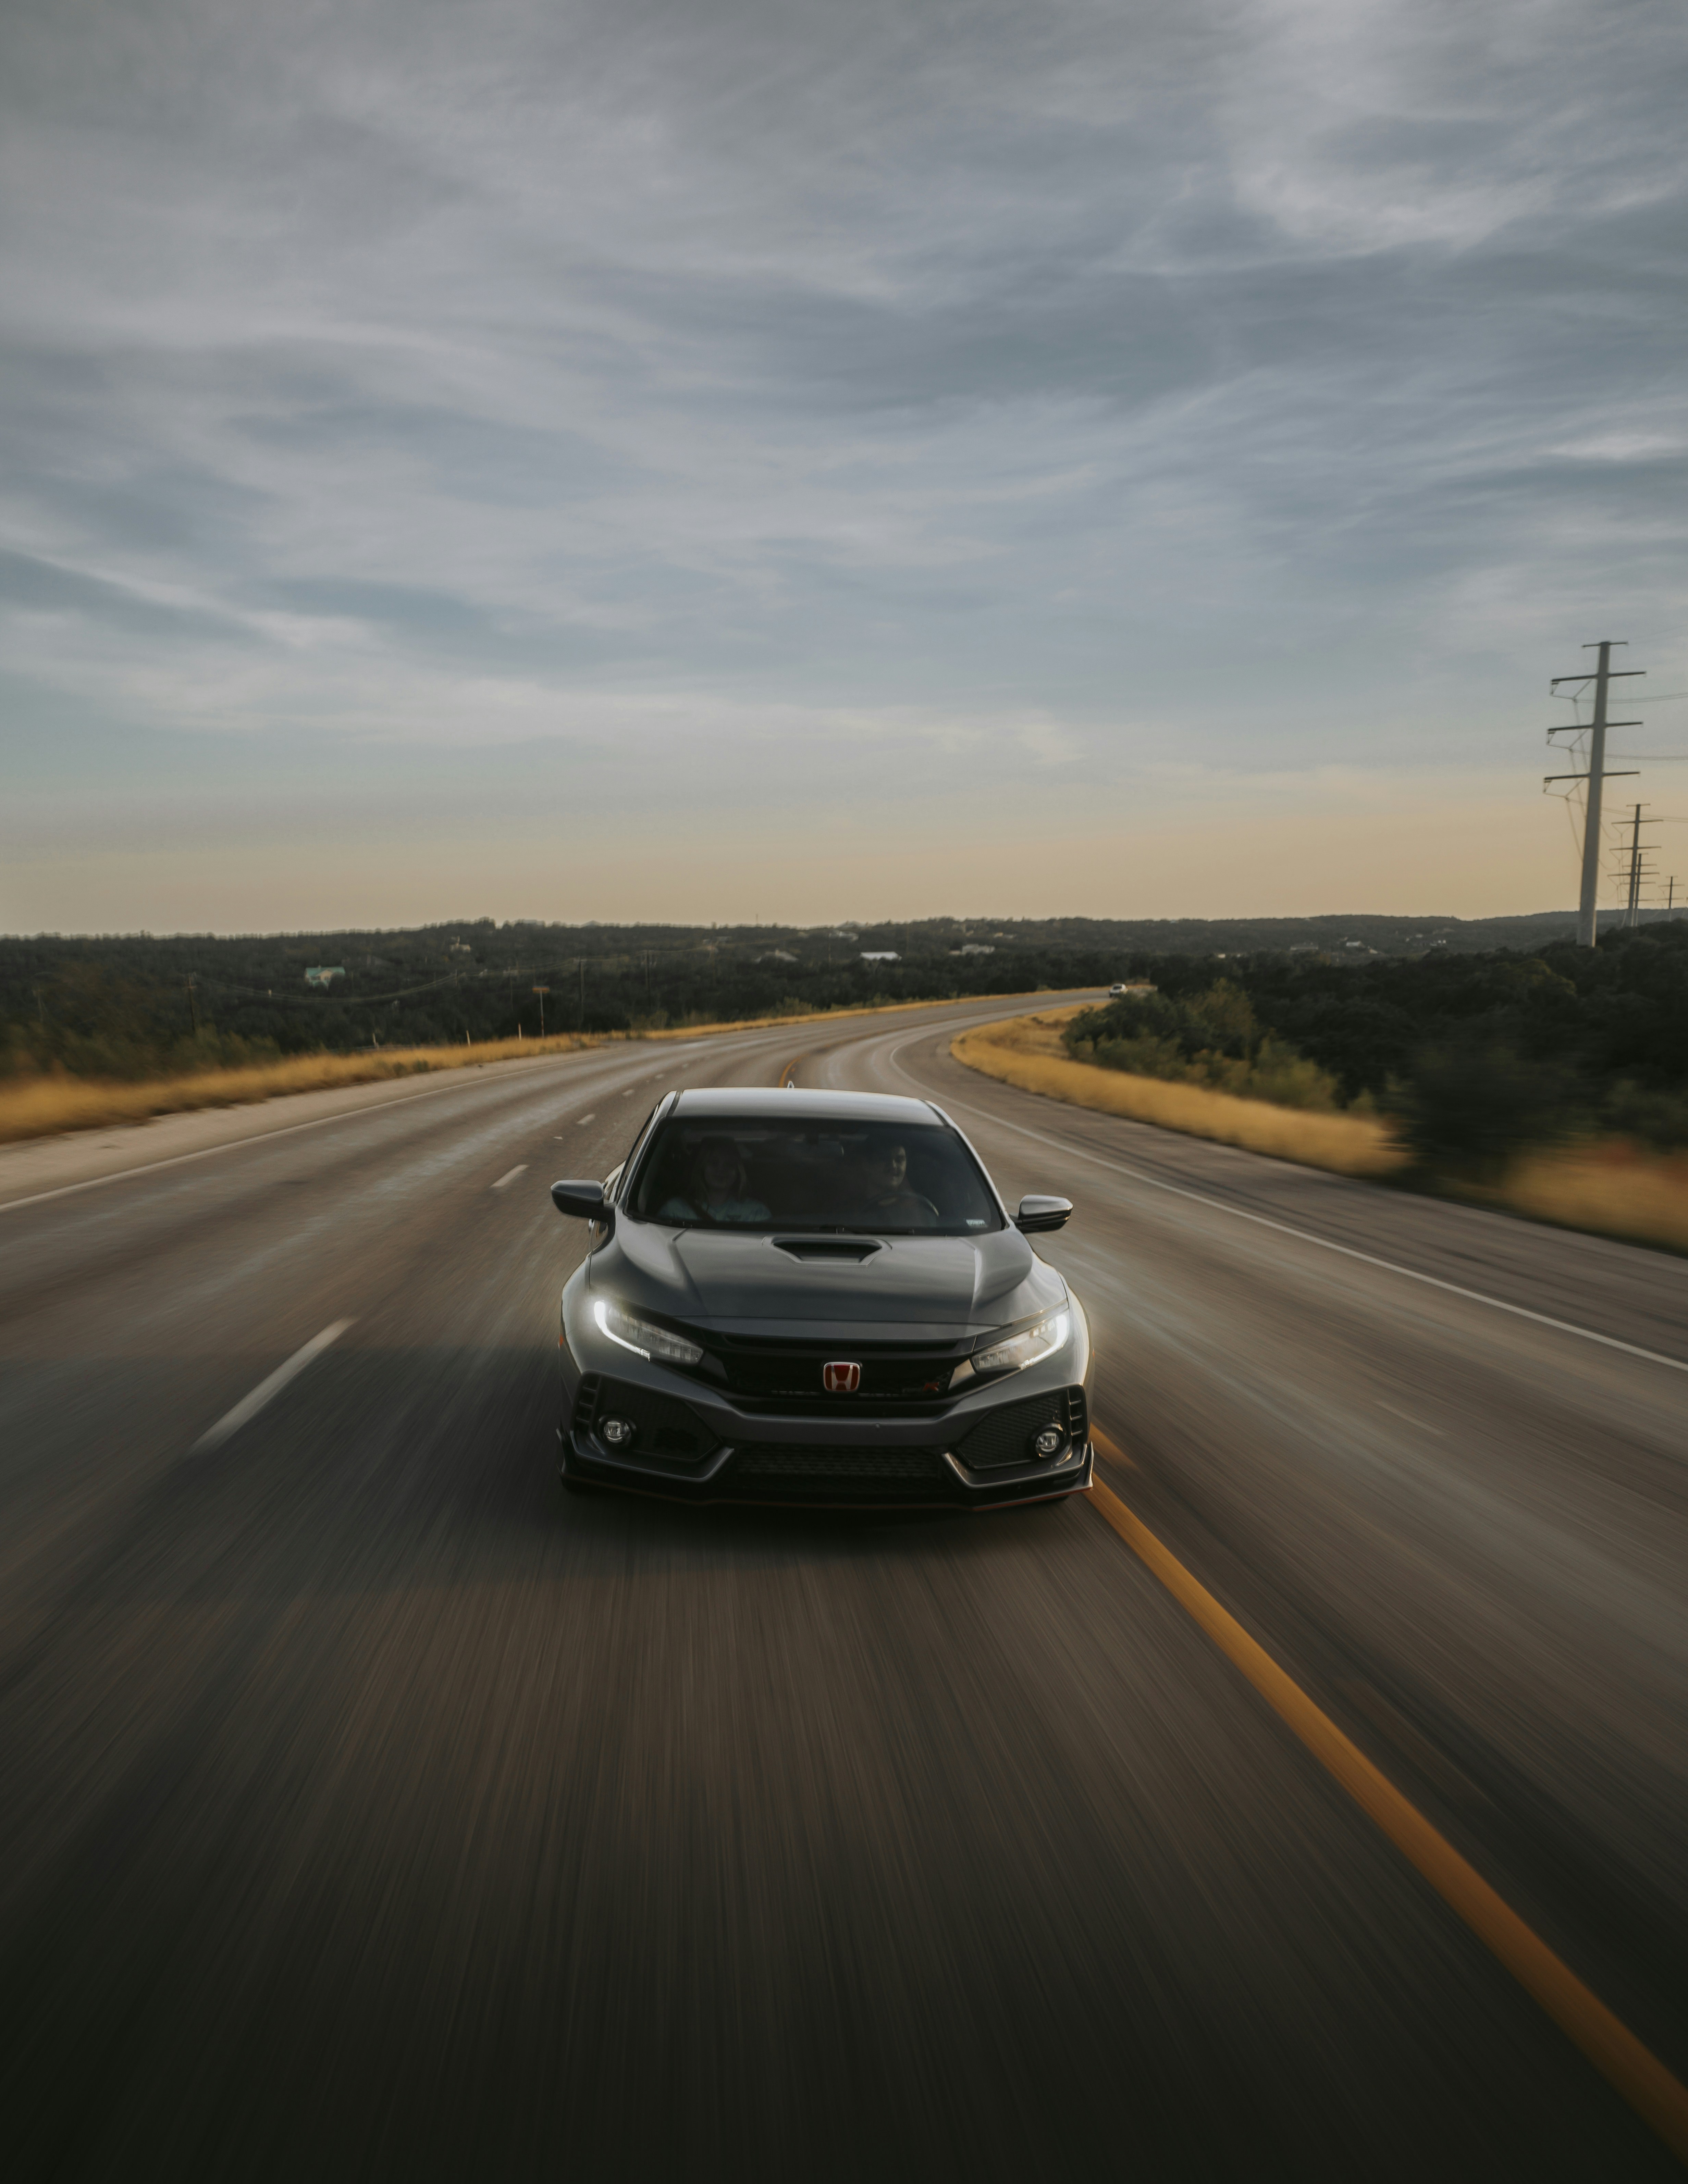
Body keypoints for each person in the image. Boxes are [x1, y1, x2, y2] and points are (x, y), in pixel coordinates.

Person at [660, 1136, 770, 1225]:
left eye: (729, 1165)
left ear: (738, 1171)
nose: (721, 1170)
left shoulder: (756, 1212)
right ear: (702, 1167)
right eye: (714, 1163)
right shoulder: (675, 1210)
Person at [854, 1139, 939, 1227]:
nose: (893, 1166)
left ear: (906, 1164)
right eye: (884, 1159)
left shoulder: (921, 1212)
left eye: (899, 1160)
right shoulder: (850, 1210)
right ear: (866, 1165)